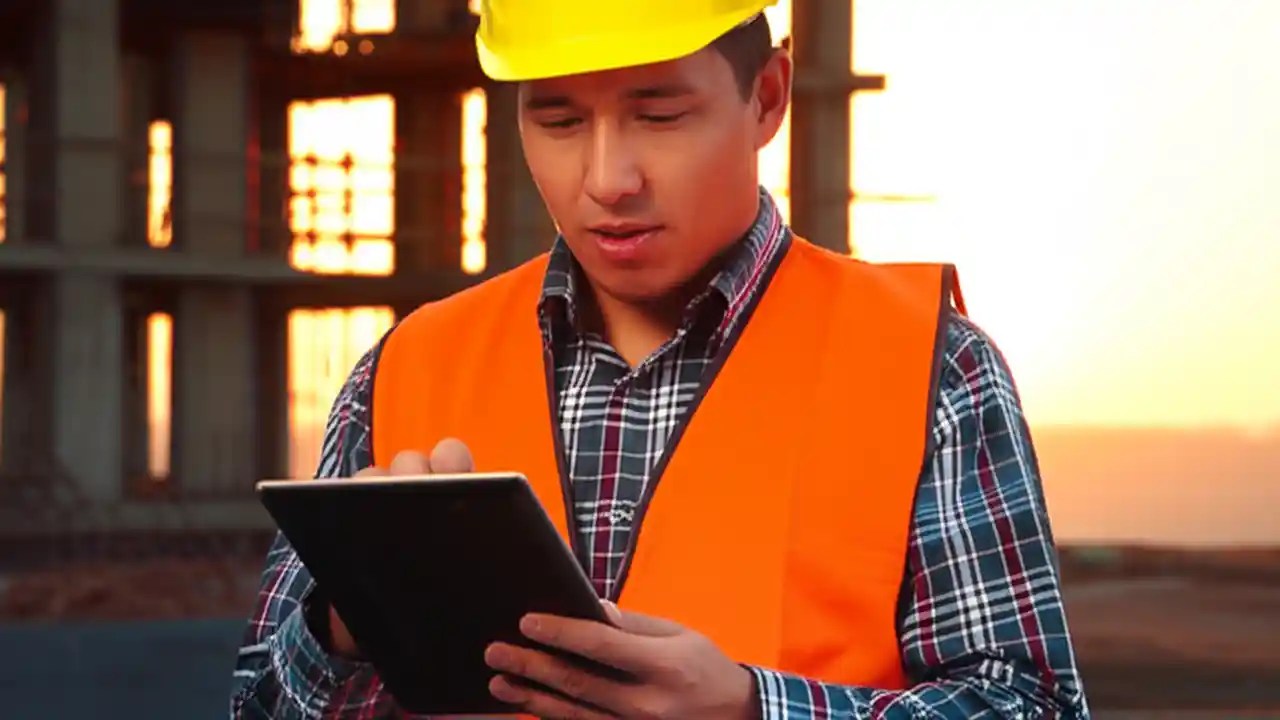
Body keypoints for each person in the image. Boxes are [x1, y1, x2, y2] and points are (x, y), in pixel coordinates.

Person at [230, 1, 1090, 717]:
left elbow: (1030, 705)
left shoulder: (929, 369)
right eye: (558, 118)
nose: (607, 178)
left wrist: (757, 709)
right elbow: (256, 703)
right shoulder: (408, 368)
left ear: (767, 97)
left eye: (659, 114)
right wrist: (344, 623)